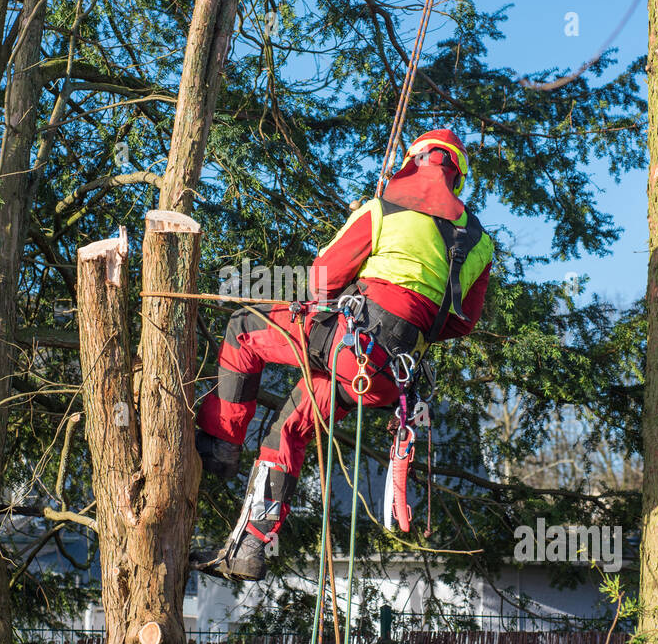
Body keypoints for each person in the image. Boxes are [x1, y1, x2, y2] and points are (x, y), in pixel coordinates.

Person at [193, 129, 494, 581]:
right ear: (458, 177)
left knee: (243, 332)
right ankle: (250, 547)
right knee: (289, 427)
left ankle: (220, 446)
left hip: (346, 345)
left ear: (412, 164)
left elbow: (320, 279)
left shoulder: (383, 211)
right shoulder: (478, 242)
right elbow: (461, 323)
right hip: (390, 377)